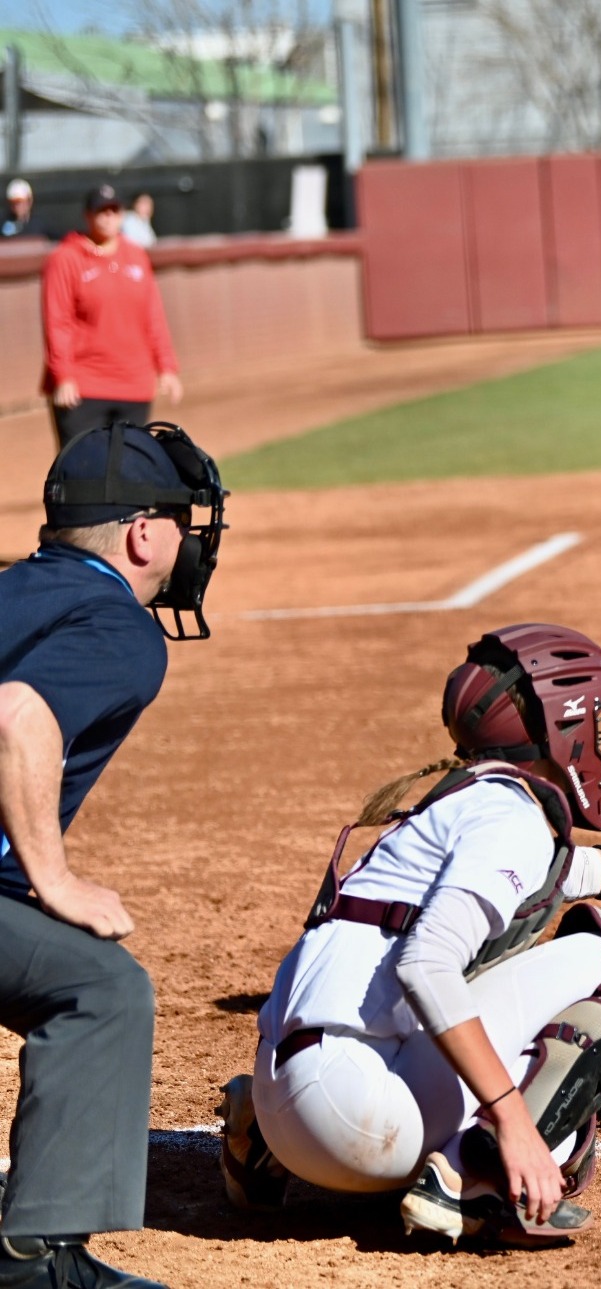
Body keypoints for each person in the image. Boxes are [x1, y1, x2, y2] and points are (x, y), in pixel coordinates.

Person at [219, 624, 601, 1246]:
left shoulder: (457, 806)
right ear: (555, 730)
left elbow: (566, 876)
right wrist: (511, 1119)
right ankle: (473, 1178)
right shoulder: (510, 819)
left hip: (285, 1100)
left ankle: (258, 1145)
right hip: (363, 1118)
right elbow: (426, 965)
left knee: (480, 963)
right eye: (591, 719)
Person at [0, 422, 227, 1289]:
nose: (190, 542)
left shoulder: (15, 591)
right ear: (141, 533)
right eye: (180, 520)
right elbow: (20, 715)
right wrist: (53, 877)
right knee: (102, 988)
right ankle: (35, 1262)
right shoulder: (120, 628)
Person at [41, 185, 182, 452]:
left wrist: (166, 366)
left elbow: (153, 316)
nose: (107, 217)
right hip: (84, 387)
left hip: (133, 385)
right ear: (87, 215)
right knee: (82, 476)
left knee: (128, 473)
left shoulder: (136, 256)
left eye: (113, 210)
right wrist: (63, 375)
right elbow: (57, 322)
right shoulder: (65, 259)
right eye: (100, 211)